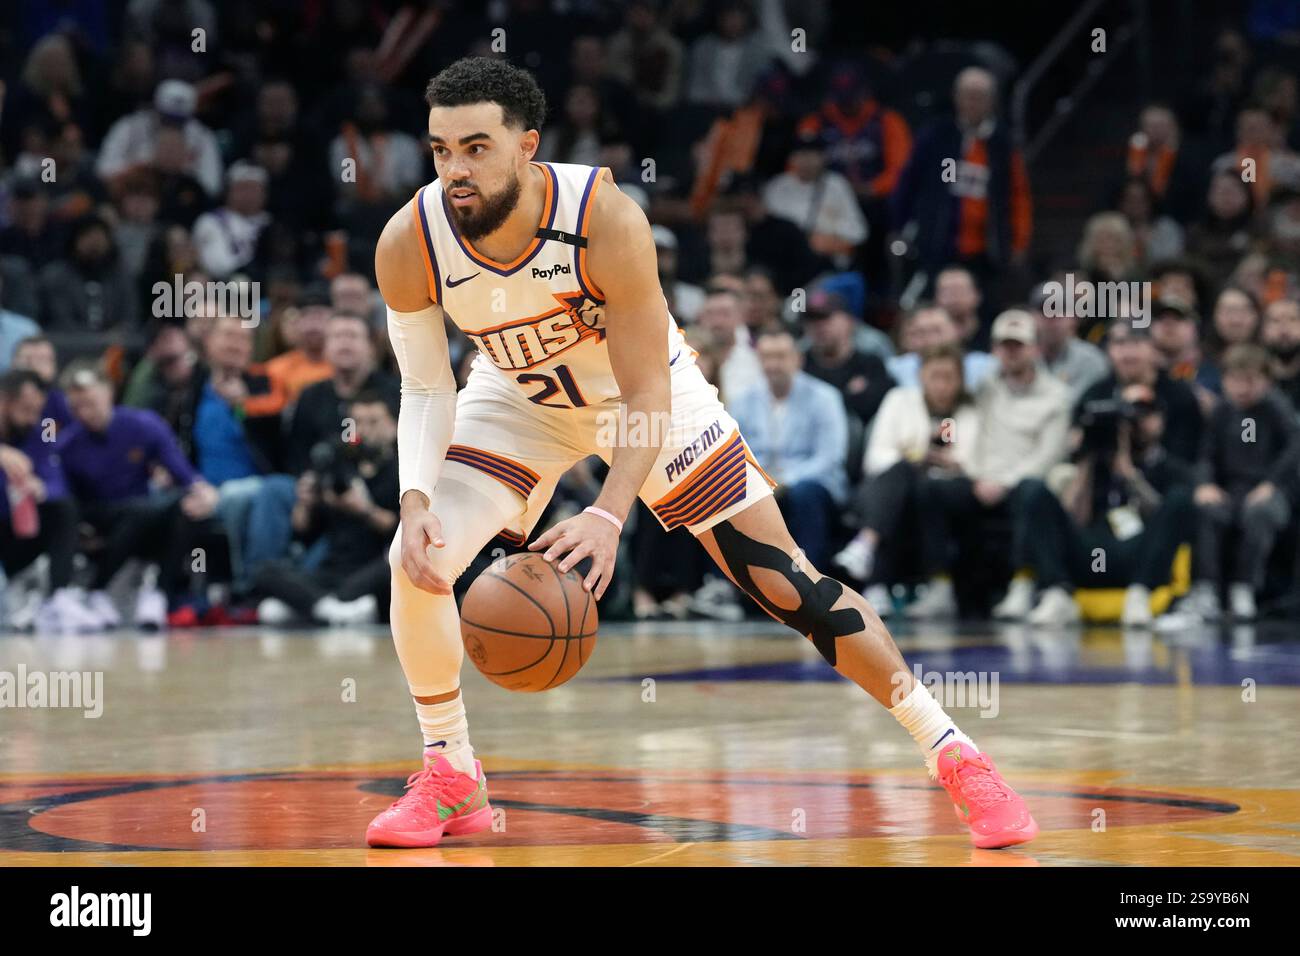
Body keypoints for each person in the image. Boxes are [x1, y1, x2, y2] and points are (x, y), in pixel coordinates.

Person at [364, 57, 1036, 850]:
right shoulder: (410, 239)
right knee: (420, 557)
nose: (455, 170)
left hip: (647, 398)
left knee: (785, 584)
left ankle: (955, 754)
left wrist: (609, 516)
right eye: (441, 151)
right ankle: (451, 770)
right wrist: (413, 503)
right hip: (518, 399)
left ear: (527, 147)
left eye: (476, 147)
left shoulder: (603, 217)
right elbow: (425, 390)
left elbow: (646, 394)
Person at [909, 310, 1070, 619]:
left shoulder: (1056, 396)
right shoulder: (985, 387)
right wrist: (962, 464)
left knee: (1031, 490)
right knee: (932, 488)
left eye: (1018, 345)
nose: (1011, 353)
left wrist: (1004, 482)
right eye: (1004, 346)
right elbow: (960, 423)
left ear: (1035, 348)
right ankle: (939, 585)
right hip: (979, 479)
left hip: (1023, 483)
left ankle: (1024, 586)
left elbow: (1049, 455)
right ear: (995, 350)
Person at [1004, 384, 1196, 626]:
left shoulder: (1172, 468)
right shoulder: (1096, 464)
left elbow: (1166, 523)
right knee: (1030, 488)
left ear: (1161, 419)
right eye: (1128, 414)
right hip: (1093, 554)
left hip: (1137, 555)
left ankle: (1140, 595)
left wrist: (1129, 475)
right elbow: (1073, 519)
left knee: (1179, 498)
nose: (1136, 421)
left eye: (1144, 413)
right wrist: (1087, 465)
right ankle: (1056, 591)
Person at [57, 363, 220, 627]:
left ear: (108, 392)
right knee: (144, 510)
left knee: (188, 507)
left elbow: (183, 473)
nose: (85, 413)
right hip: (99, 517)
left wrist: (203, 493)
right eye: (76, 407)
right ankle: (97, 590)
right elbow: (67, 501)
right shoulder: (66, 444)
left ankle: (159, 592)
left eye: (90, 402)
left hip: (144, 513)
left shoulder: (143, 424)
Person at [834, 344, 979, 609]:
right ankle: (876, 580)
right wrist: (917, 458)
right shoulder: (899, 400)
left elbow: (974, 460)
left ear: (960, 380)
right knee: (900, 476)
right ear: (922, 376)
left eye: (949, 377)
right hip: (896, 484)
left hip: (946, 491)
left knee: (908, 487)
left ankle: (868, 555)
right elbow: (875, 456)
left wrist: (944, 461)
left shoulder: (969, 411)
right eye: (935, 376)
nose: (942, 385)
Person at [254, 393, 398, 626]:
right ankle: (332, 609)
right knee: (265, 571)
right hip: (331, 567)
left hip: (371, 568)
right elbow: (303, 532)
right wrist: (305, 503)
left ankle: (313, 607)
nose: (364, 429)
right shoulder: (338, 467)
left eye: (373, 422)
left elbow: (397, 530)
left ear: (393, 426)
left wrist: (365, 510)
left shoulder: (402, 471)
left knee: (394, 567)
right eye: (357, 423)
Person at [1185, 344, 1300, 620]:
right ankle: (1206, 591)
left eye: (1250, 380)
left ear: (1266, 381)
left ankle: (1244, 588)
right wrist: (1204, 484)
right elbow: (1206, 455)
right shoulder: (1222, 411)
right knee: (1207, 511)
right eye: (1235, 380)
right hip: (1231, 489)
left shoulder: (1276, 408)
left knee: (1260, 513)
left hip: (1272, 490)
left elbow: (1294, 448)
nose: (1242, 388)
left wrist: (1271, 483)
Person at [730, 327, 849, 569]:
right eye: (767, 357)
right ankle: (727, 586)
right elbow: (734, 452)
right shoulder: (743, 400)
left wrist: (786, 480)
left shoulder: (825, 397)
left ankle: (809, 579)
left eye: (781, 356)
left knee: (804, 493)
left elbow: (830, 457)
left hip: (813, 483)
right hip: (759, 481)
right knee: (726, 490)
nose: (773, 365)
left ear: (798, 359)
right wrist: (761, 479)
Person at [0, 369, 89, 631]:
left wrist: (41, 488)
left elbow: (56, 481)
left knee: (62, 509)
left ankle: (57, 598)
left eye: (37, 410)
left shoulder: (40, 431)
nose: (33, 418)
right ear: (4, 400)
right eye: (26, 409)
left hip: (11, 534)